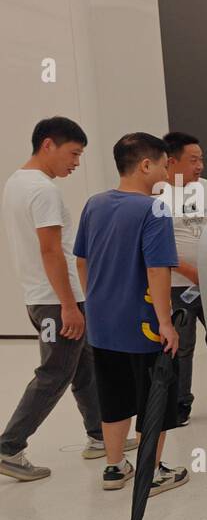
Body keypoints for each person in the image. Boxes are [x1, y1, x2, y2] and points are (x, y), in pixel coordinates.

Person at [1, 117, 130, 481]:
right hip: (57, 302)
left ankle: (99, 435)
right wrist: (70, 305)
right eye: (73, 154)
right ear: (48, 145)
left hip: (46, 297)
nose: (75, 163)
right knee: (55, 373)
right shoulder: (43, 190)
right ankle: (9, 447)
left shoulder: (17, 182)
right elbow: (50, 251)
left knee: (85, 365)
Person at [73, 133, 188, 495]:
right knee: (154, 396)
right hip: (143, 325)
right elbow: (157, 271)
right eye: (165, 165)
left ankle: (113, 466)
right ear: (145, 166)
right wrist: (166, 323)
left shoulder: (95, 204)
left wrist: (96, 300)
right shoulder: (153, 209)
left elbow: (81, 260)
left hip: (103, 323)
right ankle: (151, 473)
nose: (168, 173)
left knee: (114, 394)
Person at [156, 132, 207, 425]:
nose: (200, 165)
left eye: (201, 159)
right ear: (171, 162)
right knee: (182, 345)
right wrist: (190, 271)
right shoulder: (159, 196)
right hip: (178, 286)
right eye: (193, 160)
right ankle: (180, 405)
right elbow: (156, 246)